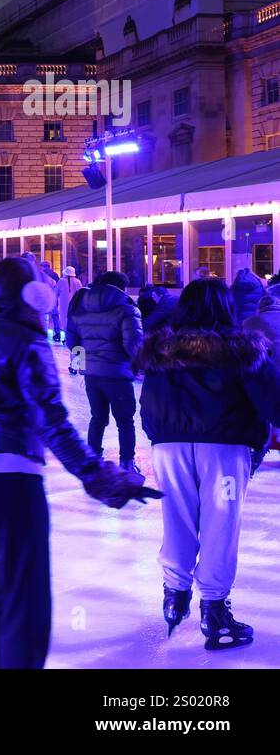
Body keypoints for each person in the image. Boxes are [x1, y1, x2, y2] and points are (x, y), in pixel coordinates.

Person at [0, 255, 156, 669]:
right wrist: (99, 476)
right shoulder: (26, 341)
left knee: (0, 589)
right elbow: (51, 419)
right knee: (26, 602)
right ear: (34, 294)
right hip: (6, 479)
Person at [136, 278, 280, 649]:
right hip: (224, 449)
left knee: (177, 521)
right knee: (220, 525)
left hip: (168, 448)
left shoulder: (160, 352)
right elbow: (274, 403)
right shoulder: (243, 351)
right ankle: (215, 613)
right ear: (227, 307)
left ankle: (174, 597)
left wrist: (159, 437)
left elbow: (147, 403)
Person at [66, 271, 144, 471]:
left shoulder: (80, 307)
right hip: (118, 374)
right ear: (122, 288)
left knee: (97, 417)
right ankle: (127, 464)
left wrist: (83, 364)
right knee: (125, 421)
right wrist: (139, 365)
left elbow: (72, 342)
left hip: (91, 374)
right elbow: (133, 346)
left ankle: (93, 459)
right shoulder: (126, 309)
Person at [53, 266, 83, 344]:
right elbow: (81, 293)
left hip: (63, 305)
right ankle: (73, 338)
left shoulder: (61, 281)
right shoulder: (77, 281)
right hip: (75, 305)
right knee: (74, 321)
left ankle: (67, 338)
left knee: (64, 321)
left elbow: (55, 293)